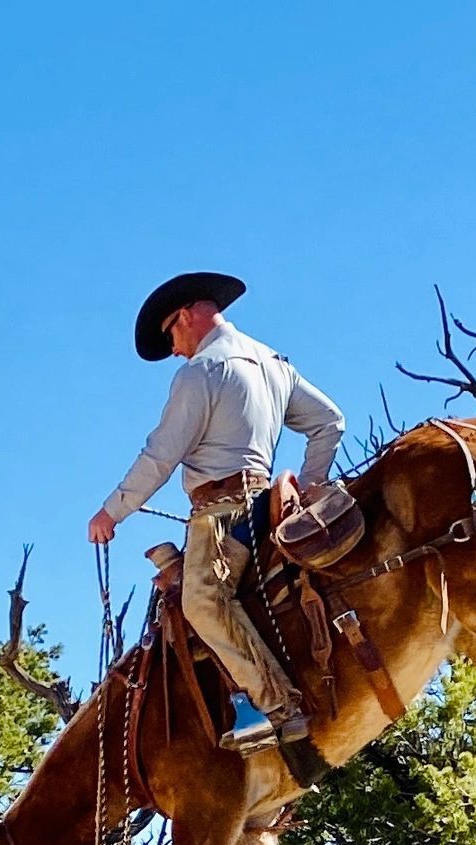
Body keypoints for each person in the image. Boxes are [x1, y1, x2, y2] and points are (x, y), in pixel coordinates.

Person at [88, 270, 345, 752]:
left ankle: (276, 706)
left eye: (172, 337)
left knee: (202, 600)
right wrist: (311, 483)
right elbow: (330, 422)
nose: (176, 351)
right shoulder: (273, 363)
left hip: (220, 513)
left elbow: (161, 455)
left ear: (186, 316)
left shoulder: (201, 371)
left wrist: (111, 513)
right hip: (265, 504)